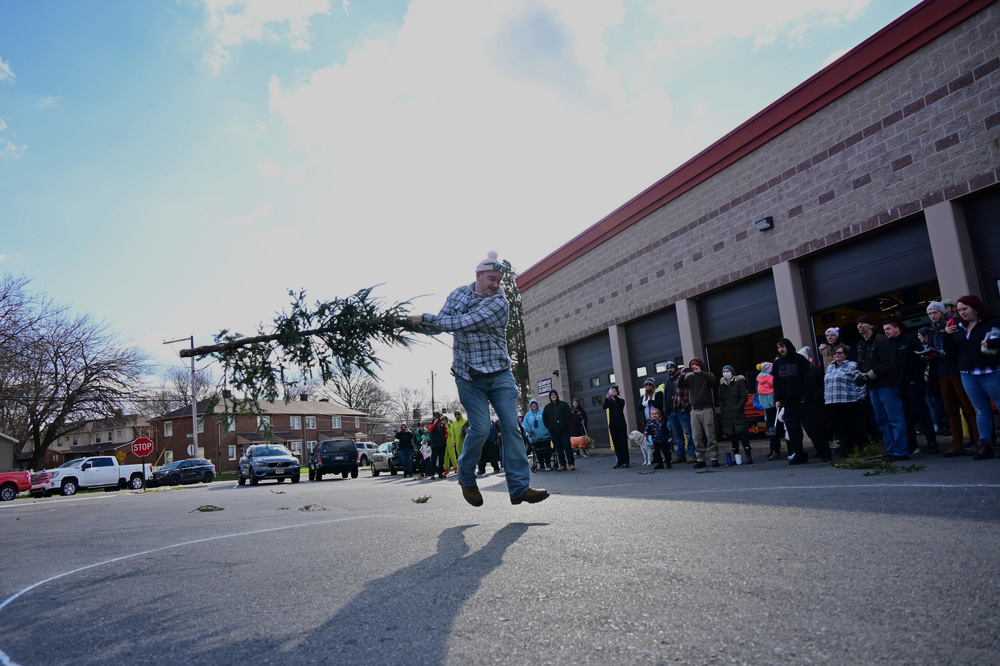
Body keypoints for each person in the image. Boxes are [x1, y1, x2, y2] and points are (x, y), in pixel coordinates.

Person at [407, 252, 548, 506]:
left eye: (499, 281)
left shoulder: (500, 303)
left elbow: (464, 322)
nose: (496, 285)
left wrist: (427, 318)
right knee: (481, 428)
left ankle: (519, 488)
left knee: (511, 427)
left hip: (499, 374)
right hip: (468, 377)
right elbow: (441, 324)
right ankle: (466, 476)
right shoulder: (458, 294)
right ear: (478, 275)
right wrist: (412, 323)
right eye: (492, 279)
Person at [944, 294, 1000, 460]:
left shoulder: (992, 322)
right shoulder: (958, 328)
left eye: (965, 309)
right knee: (981, 410)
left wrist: (992, 344)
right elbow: (951, 352)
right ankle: (985, 445)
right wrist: (947, 335)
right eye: (959, 310)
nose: (962, 312)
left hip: (990, 371)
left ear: (975, 308)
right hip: (967, 373)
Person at [926, 300, 979, 456]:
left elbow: (957, 345)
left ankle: (978, 440)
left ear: (942, 312)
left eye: (935, 312)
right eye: (929, 314)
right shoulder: (931, 330)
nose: (932, 316)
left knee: (968, 407)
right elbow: (932, 349)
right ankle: (957, 442)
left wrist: (942, 348)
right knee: (950, 410)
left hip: (956, 370)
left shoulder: (951, 324)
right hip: (942, 373)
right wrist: (928, 355)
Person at [855, 316, 908, 462]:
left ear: (871, 325)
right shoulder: (861, 345)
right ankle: (891, 450)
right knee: (882, 420)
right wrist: (858, 375)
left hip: (887, 385)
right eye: (858, 324)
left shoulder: (881, 340)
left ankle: (901, 451)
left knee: (895, 418)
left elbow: (888, 363)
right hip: (873, 388)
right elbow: (860, 365)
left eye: (863, 323)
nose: (860, 325)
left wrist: (868, 376)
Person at [884, 319, 939, 454]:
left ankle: (932, 442)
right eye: (885, 330)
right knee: (905, 416)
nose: (886, 332)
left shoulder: (911, 340)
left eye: (888, 329)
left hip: (914, 384)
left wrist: (915, 379)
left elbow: (920, 360)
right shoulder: (888, 345)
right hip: (898, 386)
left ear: (897, 328)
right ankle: (912, 444)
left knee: (921, 413)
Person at [773, 338, 813, 465]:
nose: (781, 349)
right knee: (793, 430)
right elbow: (776, 383)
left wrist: (806, 395)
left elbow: (807, 378)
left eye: (783, 346)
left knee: (812, 428)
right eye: (779, 347)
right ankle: (799, 454)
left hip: (802, 401)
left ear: (789, 346)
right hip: (788, 402)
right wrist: (778, 398)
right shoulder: (777, 363)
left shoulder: (800, 360)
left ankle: (824, 452)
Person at [823, 344, 868, 457]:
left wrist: (861, 397)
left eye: (839, 353)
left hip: (848, 400)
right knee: (840, 426)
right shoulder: (830, 367)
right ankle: (847, 447)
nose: (836, 355)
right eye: (835, 353)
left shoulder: (852, 365)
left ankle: (858, 447)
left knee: (852, 425)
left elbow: (859, 382)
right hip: (832, 401)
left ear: (846, 355)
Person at [677, 359, 718, 468]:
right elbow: (680, 385)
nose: (694, 367)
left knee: (710, 434)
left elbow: (713, 380)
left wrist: (701, 372)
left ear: (701, 366)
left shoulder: (707, 375)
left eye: (697, 365)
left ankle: (714, 457)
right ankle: (700, 458)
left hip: (706, 409)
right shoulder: (690, 377)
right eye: (692, 366)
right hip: (694, 410)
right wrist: (682, 375)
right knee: (697, 436)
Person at [718, 365, 753, 465]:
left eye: (728, 371)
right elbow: (720, 399)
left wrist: (738, 407)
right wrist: (724, 409)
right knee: (732, 437)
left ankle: (748, 456)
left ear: (732, 372)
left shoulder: (739, 383)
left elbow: (744, 397)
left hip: (738, 413)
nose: (726, 373)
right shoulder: (722, 385)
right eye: (724, 371)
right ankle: (737, 457)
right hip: (728, 414)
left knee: (743, 435)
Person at [543, 389, 575, 471]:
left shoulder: (563, 405)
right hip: (554, 432)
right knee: (558, 448)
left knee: (567, 446)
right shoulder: (547, 408)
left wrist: (565, 424)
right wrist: (549, 427)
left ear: (557, 395)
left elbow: (569, 415)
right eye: (551, 395)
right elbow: (544, 419)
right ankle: (562, 464)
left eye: (554, 394)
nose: (553, 396)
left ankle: (571, 463)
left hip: (564, 431)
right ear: (550, 397)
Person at [756, 361, 782, 460]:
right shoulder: (772, 377)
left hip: (766, 405)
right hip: (775, 403)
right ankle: (786, 449)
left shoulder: (759, 378)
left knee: (771, 428)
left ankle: (774, 449)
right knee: (781, 425)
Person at [671, 366, 697, 463]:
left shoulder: (682, 379)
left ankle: (692, 454)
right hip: (672, 411)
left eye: (671, 367)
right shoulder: (667, 381)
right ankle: (680, 456)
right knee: (678, 435)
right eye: (668, 368)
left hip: (682, 411)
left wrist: (684, 407)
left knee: (688, 433)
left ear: (675, 369)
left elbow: (687, 394)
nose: (669, 369)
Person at [522, 398, 553, 471]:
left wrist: (548, 430)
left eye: (535, 404)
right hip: (535, 437)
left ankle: (548, 464)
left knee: (546, 451)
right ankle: (541, 465)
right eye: (532, 404)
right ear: (530, 406)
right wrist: (528, 430)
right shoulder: (528, 415)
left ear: (537, 404)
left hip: (545, 436)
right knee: (538, 452)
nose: (534, 405)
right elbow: (525, 424)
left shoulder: (543, 412)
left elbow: (548, 420)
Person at [603, 386, 630, 468]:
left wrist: (615, 397)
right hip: (613, 425)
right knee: (616, 443)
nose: (613, 392)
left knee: (623, 443)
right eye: (612, 391)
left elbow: (620, 405)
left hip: (621, 424)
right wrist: (607, 398)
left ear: (617, 392)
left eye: (615, 391)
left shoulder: (621, 400)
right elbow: (604, 406)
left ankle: (626, 461)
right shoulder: (609, 402)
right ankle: (619, 461)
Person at [446, 410, 468, 475]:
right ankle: (461, 469)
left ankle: (467, 468)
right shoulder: (454, 423)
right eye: (455, 414)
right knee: (459, 455)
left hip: (465, 441)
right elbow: (453, 433)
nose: (457, 415)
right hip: (458, 442)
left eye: (458, 414)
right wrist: (453, 441)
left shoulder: (465, 421)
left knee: (466, 455)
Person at [428, 412, 448, 479]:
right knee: (434, 459)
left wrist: (445, 437)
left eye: (438, 416)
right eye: (435, 416)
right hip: (434, 445)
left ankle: (440, 473)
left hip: (442, 444)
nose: (437, 417)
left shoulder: (442, 424)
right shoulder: (431, 424)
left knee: (441, 459)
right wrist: (434, 423)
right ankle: (432, 474)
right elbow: (430, 430)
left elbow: (446, 433)